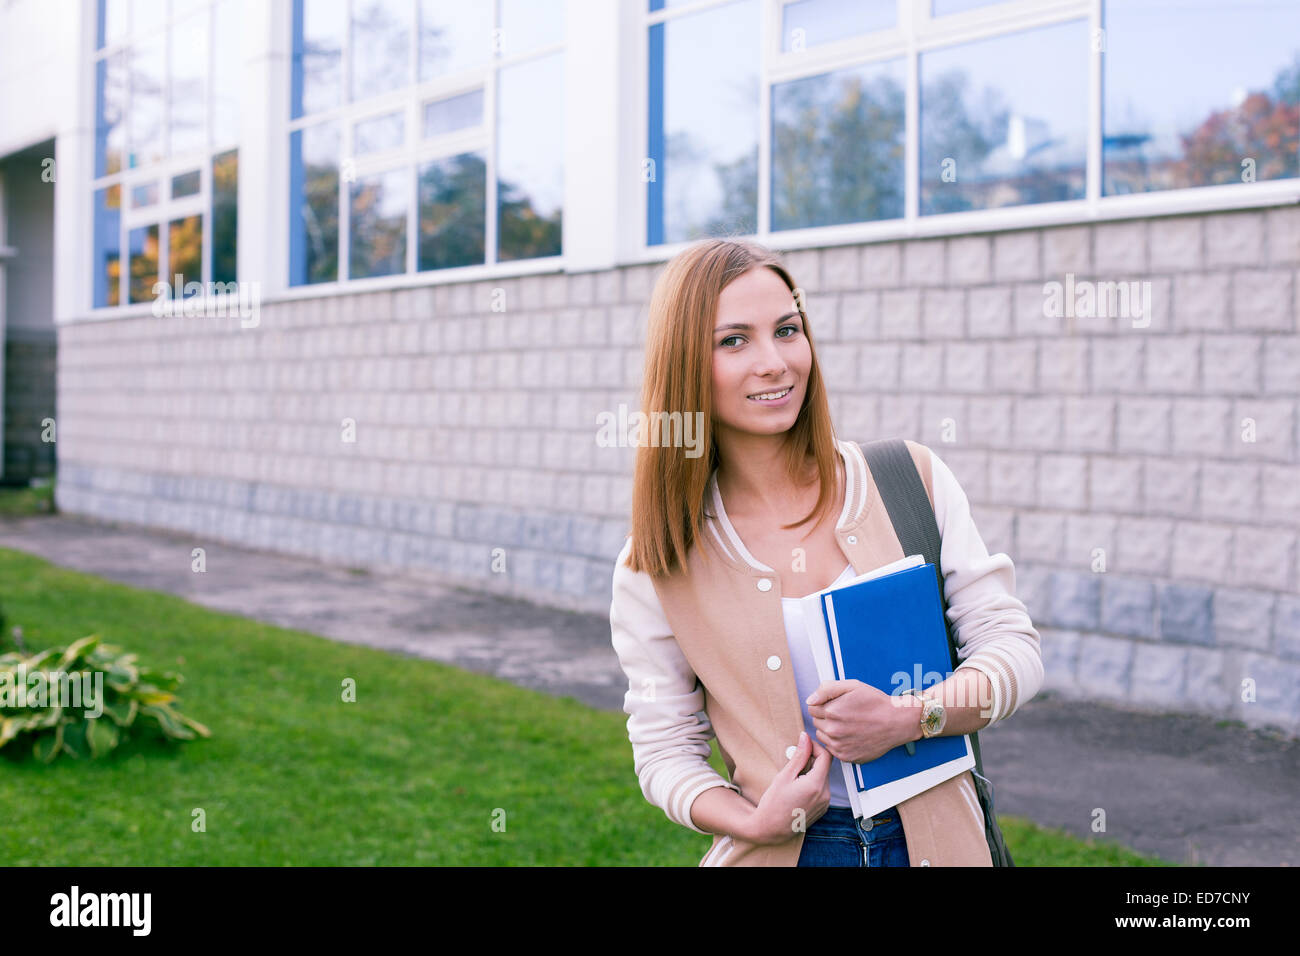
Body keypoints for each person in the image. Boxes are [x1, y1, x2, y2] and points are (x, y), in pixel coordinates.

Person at [609, 237, 1044, 866]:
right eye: (734, 341)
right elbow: (663, 748)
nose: (774, 362)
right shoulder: (658, 557)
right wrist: (754, 820)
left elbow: (1014, 650)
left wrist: (912, 716)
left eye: (787, 330)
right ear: (684, 365)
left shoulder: (909, 481)